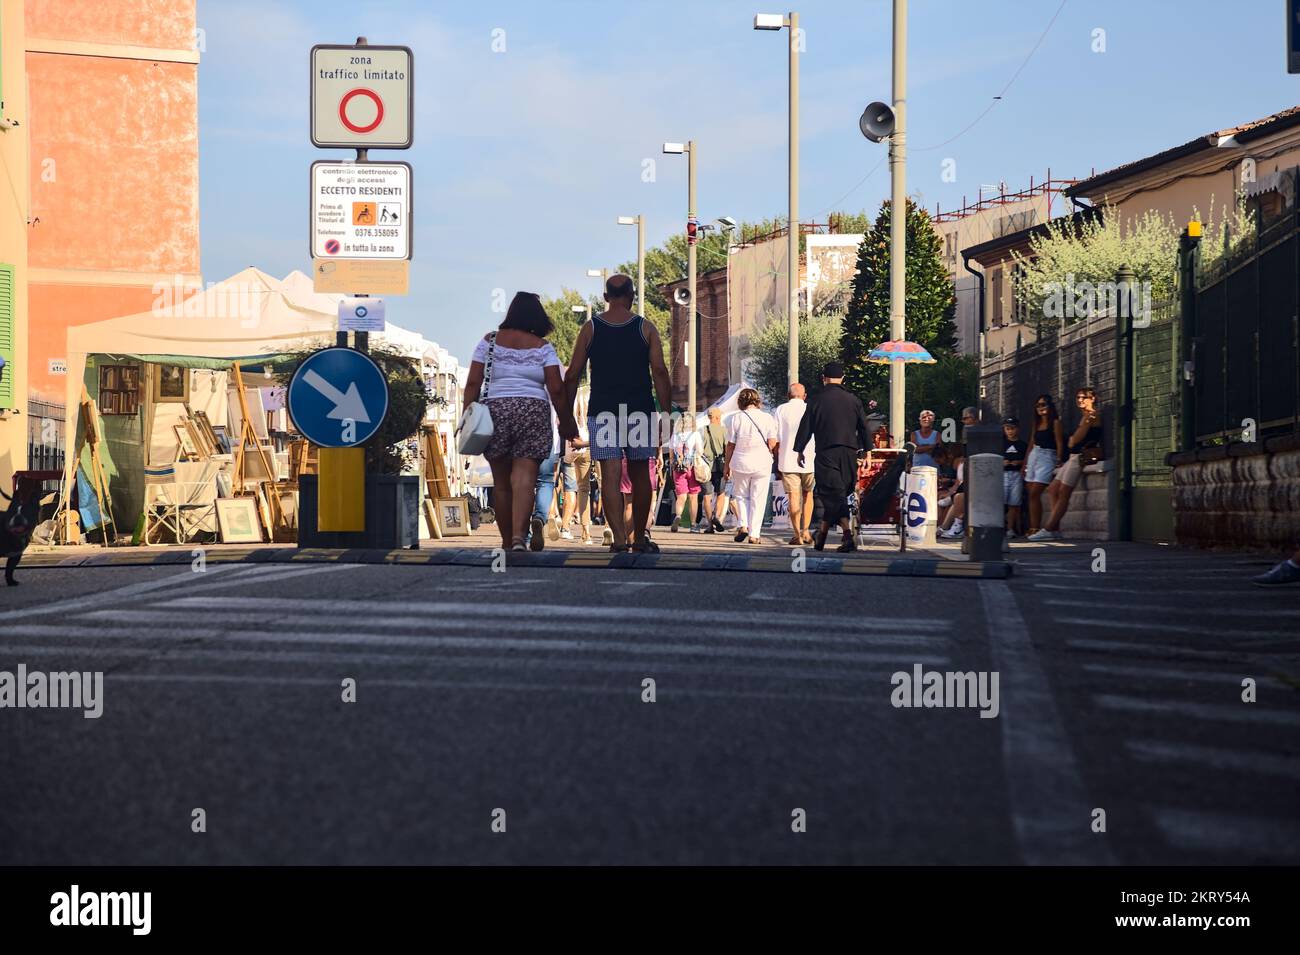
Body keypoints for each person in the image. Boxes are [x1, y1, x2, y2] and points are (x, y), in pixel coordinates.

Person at [564, 274, 672, 553]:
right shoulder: (645, 328)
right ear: (632, 296)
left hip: (603, 412)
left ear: (604, 297)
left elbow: (573, 373)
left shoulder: (591, 328)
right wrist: (667, 415)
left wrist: (566, 415)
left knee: (610, 475)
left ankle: (620, 541)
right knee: (640, 474)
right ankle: (639, 539)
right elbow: (659, 371)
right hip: (639, 411)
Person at [463, 292, 574, 552]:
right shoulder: (542, 347)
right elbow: (556, 389)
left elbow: (472, 382)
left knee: (501, 483)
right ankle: (517, 539)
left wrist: (467, 414)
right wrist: (566, 421)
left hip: (495, 412)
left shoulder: (488, 342)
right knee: (525, 478)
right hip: (533, 411)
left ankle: (506, 540)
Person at [793, 362, 871, 552]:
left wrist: (800, 449)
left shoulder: (816, 401)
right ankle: (822, 537)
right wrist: (868, 452)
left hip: (826, 452)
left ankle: (847, 537)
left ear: (823, 378)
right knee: (838, 494)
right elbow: (863, 427)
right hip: (849, 454)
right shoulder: (853, 400)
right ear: (843, 378)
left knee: (833, 495)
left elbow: (806, 426)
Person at [1028, 387, 1103, 541]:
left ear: (1093, 398)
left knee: (1063, 491)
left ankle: (1049, 528)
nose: (1080, 400)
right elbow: (1073, 440)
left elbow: (1076, 439)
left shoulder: (1091, 415)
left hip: (1081, 457)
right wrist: (1073, 439)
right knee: (1053, 488)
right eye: (1078, 397)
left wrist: (1074, 438)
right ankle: (1055, 528)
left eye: (1084, 397)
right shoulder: (1084, 417)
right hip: (1073, 457)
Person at [724, 388, 778, 544]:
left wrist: (726, 466)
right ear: (757, 401)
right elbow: (772, 442)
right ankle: (754, 534)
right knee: (758, 498)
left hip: (740, 461)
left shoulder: (736, 419)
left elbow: (730, 445)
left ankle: (742, 525)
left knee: (740, 495)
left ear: (741, 402)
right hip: (762, 462)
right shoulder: (767, 418)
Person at [774, 383, 816, 546]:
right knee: (808, 494)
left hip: (788, 459)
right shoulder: (811, 408)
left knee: (793, 496)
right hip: (810, 459)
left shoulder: (780, 410)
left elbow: (775, 437)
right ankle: (806, 530)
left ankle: (796, 533)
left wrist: (777, 457)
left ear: (787, 395)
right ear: (804, 396)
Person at [1024, 393, 1066, 537]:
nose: (1040, 408)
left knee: (1036, 491)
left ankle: (1043, 528)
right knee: (1031, 494)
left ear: (1050, 406)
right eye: (1038, 406)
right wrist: (1025, 463)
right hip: (1034, 455)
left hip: (1048, 456)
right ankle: (1034, 528)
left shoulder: (1055, 422)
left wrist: (1059, 459)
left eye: (1043, 405)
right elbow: (1031, 442)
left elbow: (1059, 442)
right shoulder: (1036, 423)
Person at [559, 390, 593, 543]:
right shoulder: (594, 404)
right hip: (594, 443)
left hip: (576, 445)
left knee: (581, 489)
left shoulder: (572, 408)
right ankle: (609, 526)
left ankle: (586, 532)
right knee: (606, 485)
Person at [668, 415, 704, 532]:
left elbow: (671, 453)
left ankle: (678, 515)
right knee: (693, 497)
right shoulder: (695, 434)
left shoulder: (675, 435)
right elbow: (700, 451)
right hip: (692, 468)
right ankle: (693, 525)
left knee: (681, 496)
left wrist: (673, 463)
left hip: (678, 469)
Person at [698, 407, 728, 533]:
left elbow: (698, 449)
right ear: (716, 417)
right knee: (721, 493)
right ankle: (717, 517)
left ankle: (710, 525)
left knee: (707, 495)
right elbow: (727, 449)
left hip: (705, 468)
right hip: (720, 466)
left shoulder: (701, 430)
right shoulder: (724, 431)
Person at [1001, 417, 1027, 537]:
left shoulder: (1022, 445)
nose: (1010, 431)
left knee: (1014, 503)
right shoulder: (1001, 444)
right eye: (1007, 429)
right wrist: (1002, 462)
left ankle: (1010, 529)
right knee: (1001, 502)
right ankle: (1000, 527)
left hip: (1017, 474)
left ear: (1017, 429)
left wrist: (1020, 462)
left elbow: (1027, 460)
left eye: (1012, 428)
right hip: (1003, 474)